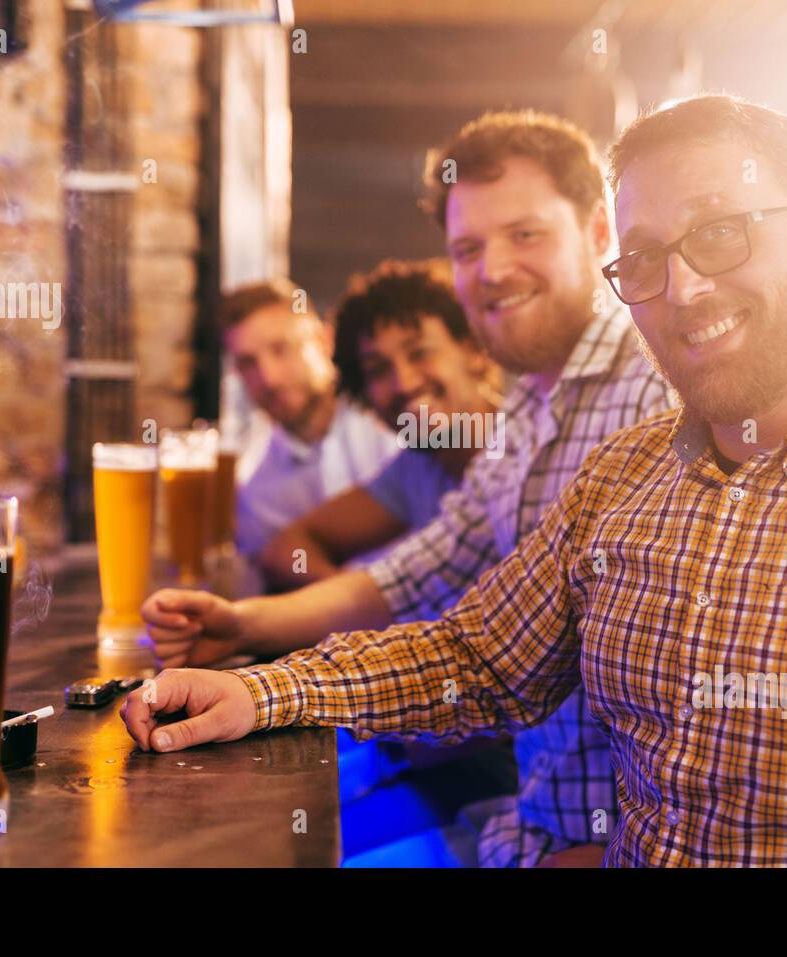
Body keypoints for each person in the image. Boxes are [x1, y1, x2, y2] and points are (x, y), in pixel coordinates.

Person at [123, 93, 787, 867]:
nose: (681, 289)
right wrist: (264, 692)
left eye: (720, 234)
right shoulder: (618, 477)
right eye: (645, 260)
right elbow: (477, 660)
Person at [137, 110, 674, 867]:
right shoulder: (529, 410)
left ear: (596, 232)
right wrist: (250, 628)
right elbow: (426, 573)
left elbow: (695, 720)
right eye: (467, 248)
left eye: (526, 234)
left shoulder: (660, 392)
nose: (491, 270)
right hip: (529, 821)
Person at [257, 258, 503, 589]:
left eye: (419, 353)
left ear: (475, 350)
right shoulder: (418, 468)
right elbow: (287, 549)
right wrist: (349, 598)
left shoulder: (527, 453)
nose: (403, 383)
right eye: (378, 370)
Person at [221, 279, 399, 563]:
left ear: (324, 341)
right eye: (248, 363)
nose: (269, 378)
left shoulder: (395, 423)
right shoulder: (257, 497)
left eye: (280, 349)